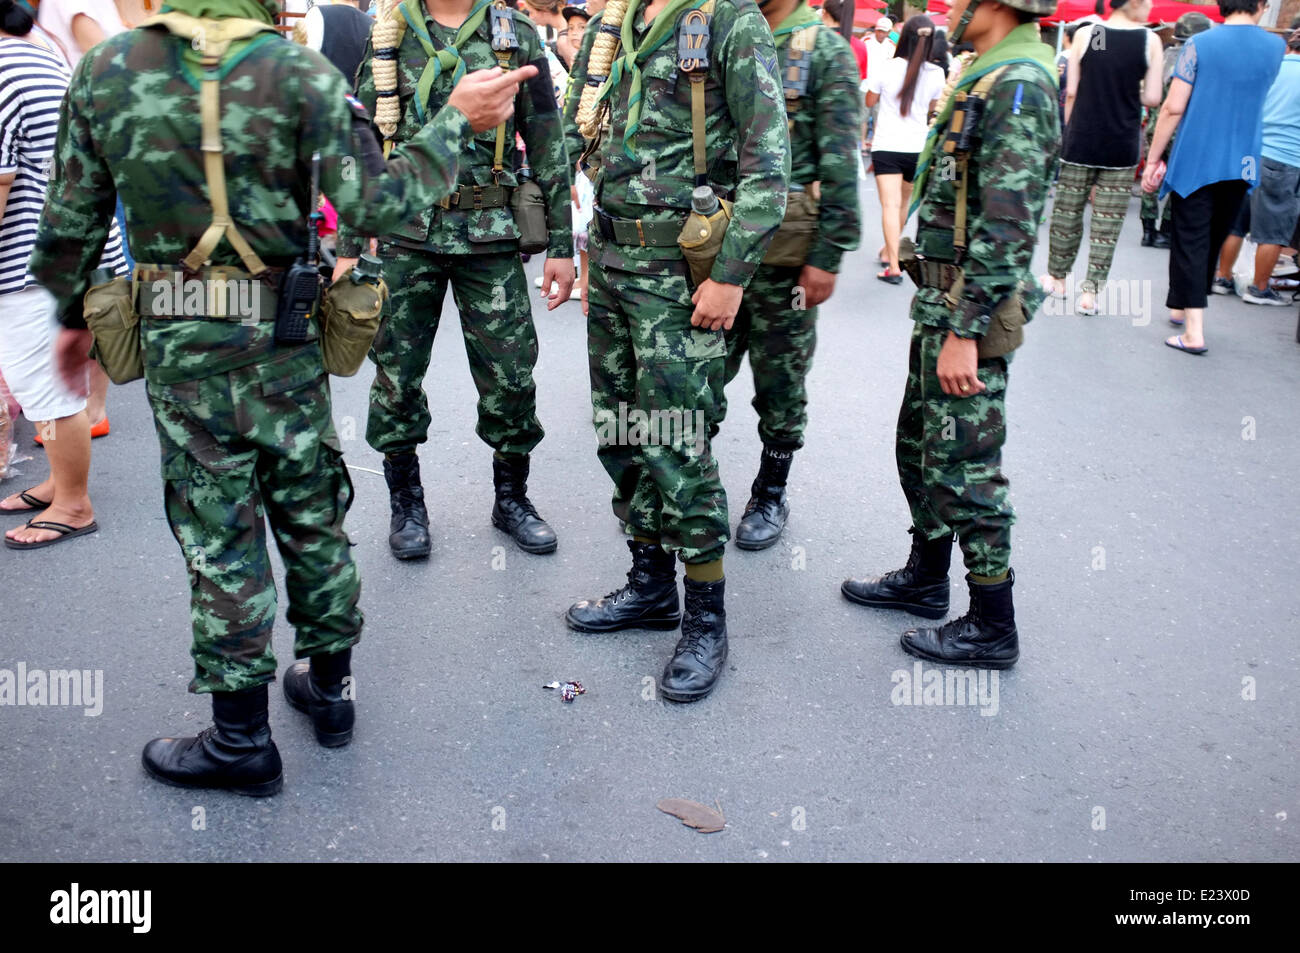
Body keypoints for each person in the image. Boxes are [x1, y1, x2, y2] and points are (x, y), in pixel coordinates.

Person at [30, 0, 534, 794]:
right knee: (310, 509)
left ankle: (239, 739)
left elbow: (69, 222)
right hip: (284, 341)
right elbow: (375, 206)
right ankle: (329, 692)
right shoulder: (300, 73)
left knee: (219, 531)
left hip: (183, 350)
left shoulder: (105, 70)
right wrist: (454, 124)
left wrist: (69, 319)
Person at [562, 0, 789, 702]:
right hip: (612, 259)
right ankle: (649, 583)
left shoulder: (730, 20)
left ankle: (706, 618)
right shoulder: (615, 21)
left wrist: (729, 277)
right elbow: (575, 134)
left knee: (678, 443)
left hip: (680, 275)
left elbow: (768, 162)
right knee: (621, 433)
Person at [841, 0, 1061, 670]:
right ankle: (926, 577)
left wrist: (966, 330)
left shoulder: (1019, 82)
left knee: (968, 467)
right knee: (922, 449)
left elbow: (1009, 225)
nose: (951, 11)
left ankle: (994, 624)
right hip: (943, 302)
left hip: (968, 310)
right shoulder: (988, 71)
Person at [340, 0, 573, 561]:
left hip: (489, 233)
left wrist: (563, 246)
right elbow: (360, 140)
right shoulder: (389, 32)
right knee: (396, 374)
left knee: (512, 373)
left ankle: (511, 498)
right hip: (404, 234)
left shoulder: (512, 31)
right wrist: (349, 247)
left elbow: (546, 138)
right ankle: (407, 504)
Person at [713, 0, 859, 550]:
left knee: (780, 384)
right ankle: (685, 488)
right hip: (718, 252)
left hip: (787, 259)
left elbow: (842, 160)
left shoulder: (824, 51)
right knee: (696, 376)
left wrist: (828, 254)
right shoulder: (720, 35)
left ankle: (770, 491)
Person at [0, 0, 125, 548]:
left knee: (47, 389)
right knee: (50, 384)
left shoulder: (4, 69)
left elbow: (1, 185)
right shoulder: (39, 55)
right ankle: (58, 482)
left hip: (35, 260)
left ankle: (73, 503)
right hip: (69, 250)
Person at [1142, 0, 1284, 355]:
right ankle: (1180, 306)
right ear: (1263, 6)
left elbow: (1173, 107)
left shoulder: (1199, 44)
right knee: (1214, 235)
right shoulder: (1275, 47)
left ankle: (1193, 331)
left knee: (1190, 238)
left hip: (1198, 156)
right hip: (1243, 158)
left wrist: (1153, 159)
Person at [1040, 0, 1162, 316]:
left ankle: (1058, 280)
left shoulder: (1091, 34)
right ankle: (1090, 295)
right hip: (1121, 144)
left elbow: (1073, 91)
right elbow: (1152, 97)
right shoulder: (1149, 40)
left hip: (1082, 137)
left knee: (1067, 213)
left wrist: (1069, 128)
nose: (1149, 7)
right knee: (1106, 225)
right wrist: (1127, 91)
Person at [866, 14, 944, 284]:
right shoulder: (937, 73)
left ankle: (894, 266)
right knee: (902, 206)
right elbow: (933, 107)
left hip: (887, 145)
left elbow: (869, 100)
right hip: (917, 148)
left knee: (890, 204)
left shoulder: (887, 67)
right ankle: (890, 251)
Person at [1138, 11, 1212, 248]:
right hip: (1183, 130)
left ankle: (1147, 231)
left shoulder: (1163, 57)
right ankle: (1167, 230)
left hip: (1155, 126)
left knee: (1151, 180)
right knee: (1178, 181)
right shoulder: (1198, 60)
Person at [1237, 27, 1300, 306]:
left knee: (1238, 221)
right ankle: (1260, 288)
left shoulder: (1272, 67)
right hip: (1286, 158)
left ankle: (1223, 276)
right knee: (1273, 229)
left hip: (1253, 151)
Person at [301, 0, 374, 82]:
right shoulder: (371, 23)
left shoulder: (316, 14)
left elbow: (306, 64)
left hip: (326, 91)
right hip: (357, 93)